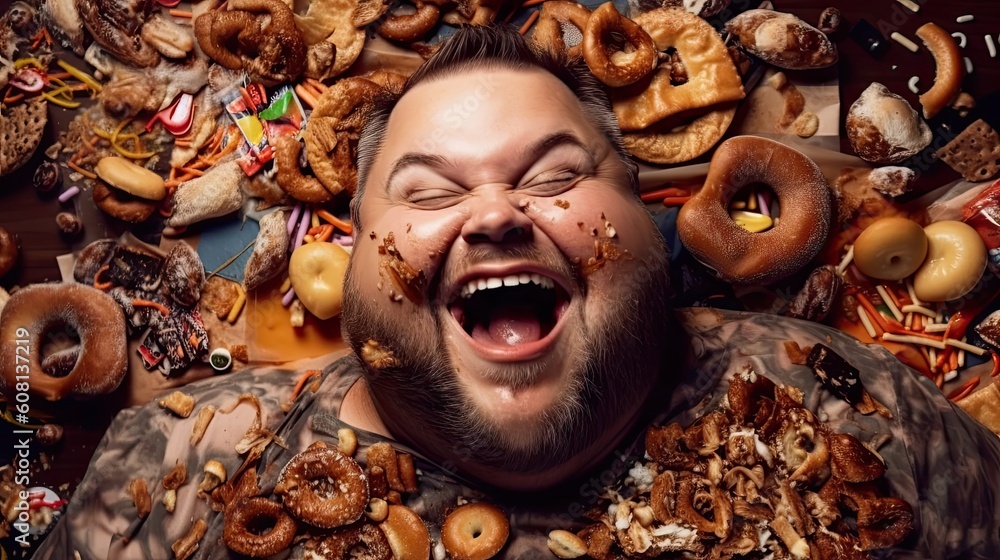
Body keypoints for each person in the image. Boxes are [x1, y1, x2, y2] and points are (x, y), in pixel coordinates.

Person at [34, 25, 1000, 559]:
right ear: (357, 247)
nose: (495, 215)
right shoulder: (174, 473)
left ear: (646, 212)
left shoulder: (857, 412)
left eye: (550, 176)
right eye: (430, 191)